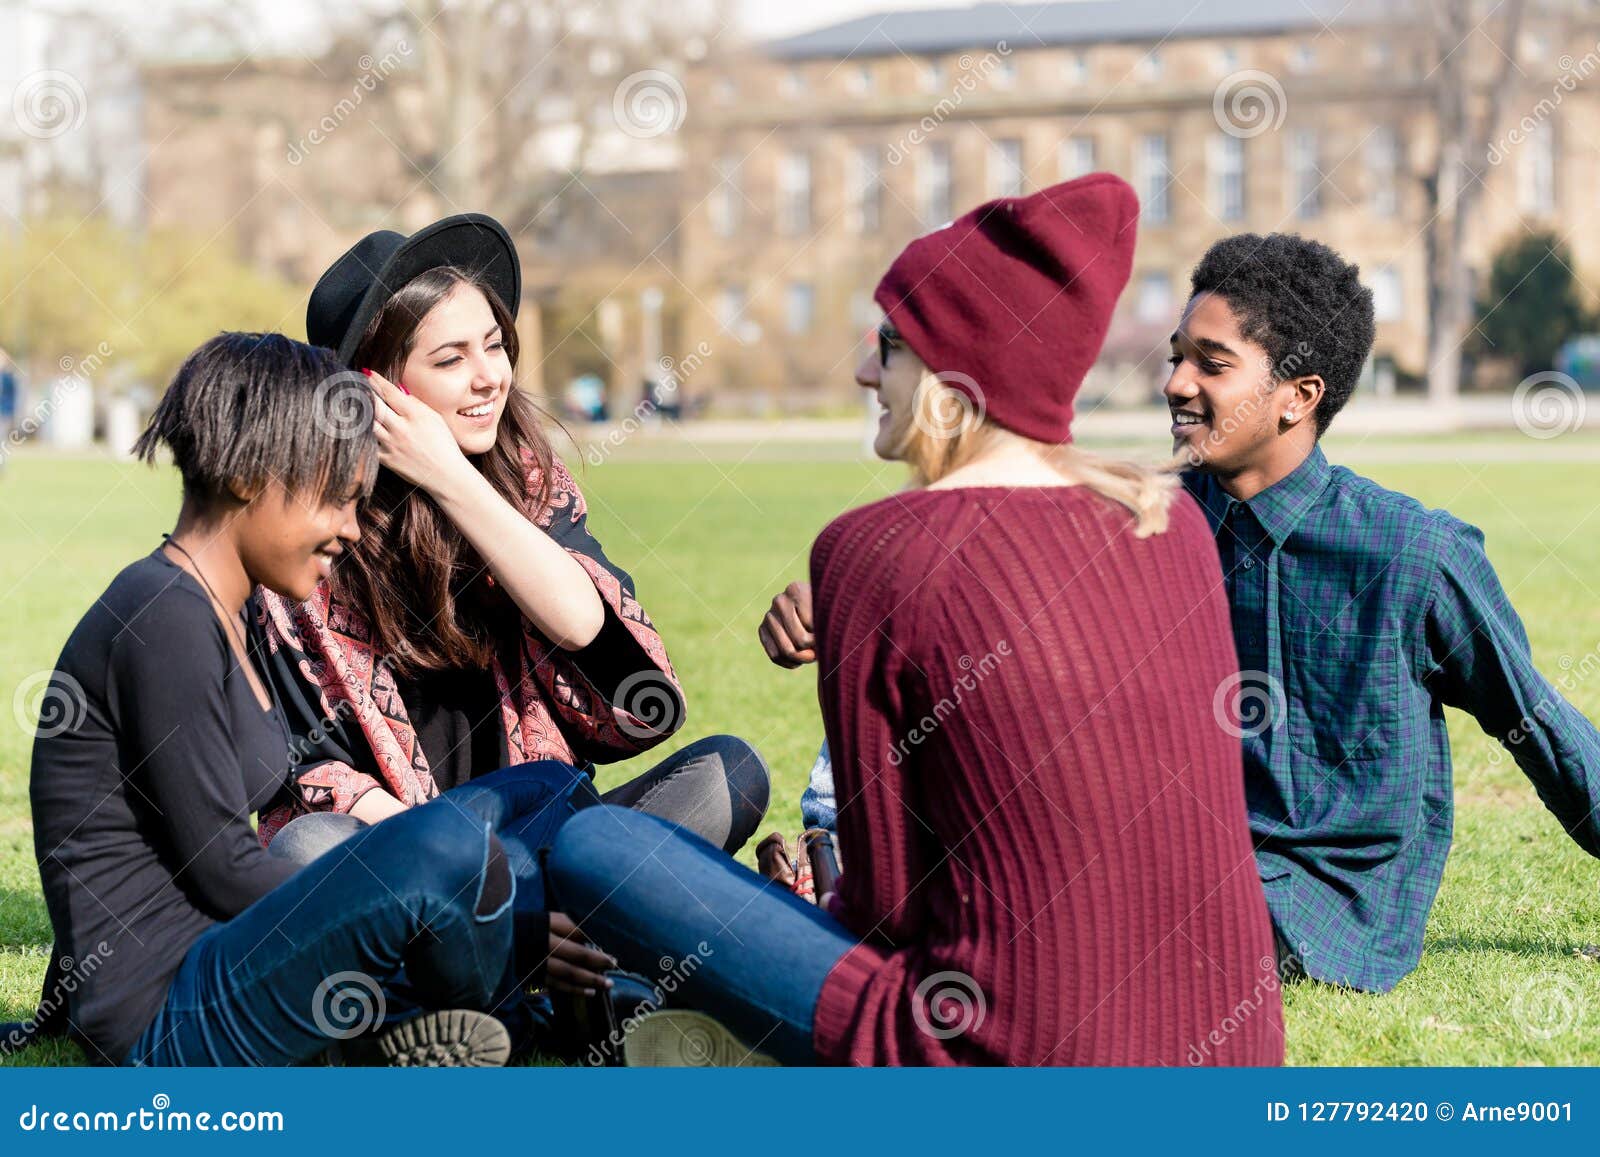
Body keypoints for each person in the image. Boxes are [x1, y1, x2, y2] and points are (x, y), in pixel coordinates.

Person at [547, 176, 1284, 1066]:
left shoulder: (875, 550)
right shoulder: (1171, 527)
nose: (865, 370)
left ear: (951, 376)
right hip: (1233, 1054)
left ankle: (675, 1026)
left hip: (987, 1055)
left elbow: (888, 909)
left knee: (596, 842)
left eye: (890, 345)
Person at [26, 333, 594, 1066]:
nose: (351, 531)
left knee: (544, 786)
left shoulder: (223, 611)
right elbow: (225, 869)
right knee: (447, 848)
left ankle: (445, 1006)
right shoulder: (162, 614)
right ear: (246, 477)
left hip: (235, 963)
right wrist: (423, 897)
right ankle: (498, 1000)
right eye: (337, 500)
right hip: (172, 1010)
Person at [257, 214, 769, 896]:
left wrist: (454, 479)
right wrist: (474, 881)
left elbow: (591, 632)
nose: (488, 377)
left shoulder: (524, 481)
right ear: (375, 388)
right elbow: (309, 772)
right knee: (309, 846)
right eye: (450, 359)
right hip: (406, 862)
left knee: (726, 776)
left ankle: (533, 948)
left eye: (494, 346)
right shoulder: (302, 535)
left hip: (540, 834)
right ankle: (530, 946)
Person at [1162, 233, 1600, 991]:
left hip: (1320, 901)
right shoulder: (1157, 527)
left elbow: (1539, 724)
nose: (1175, 383)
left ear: (1299, 395)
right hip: (1183, 855)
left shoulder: (1413, 554)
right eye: (1176, 357)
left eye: (1211, 362)